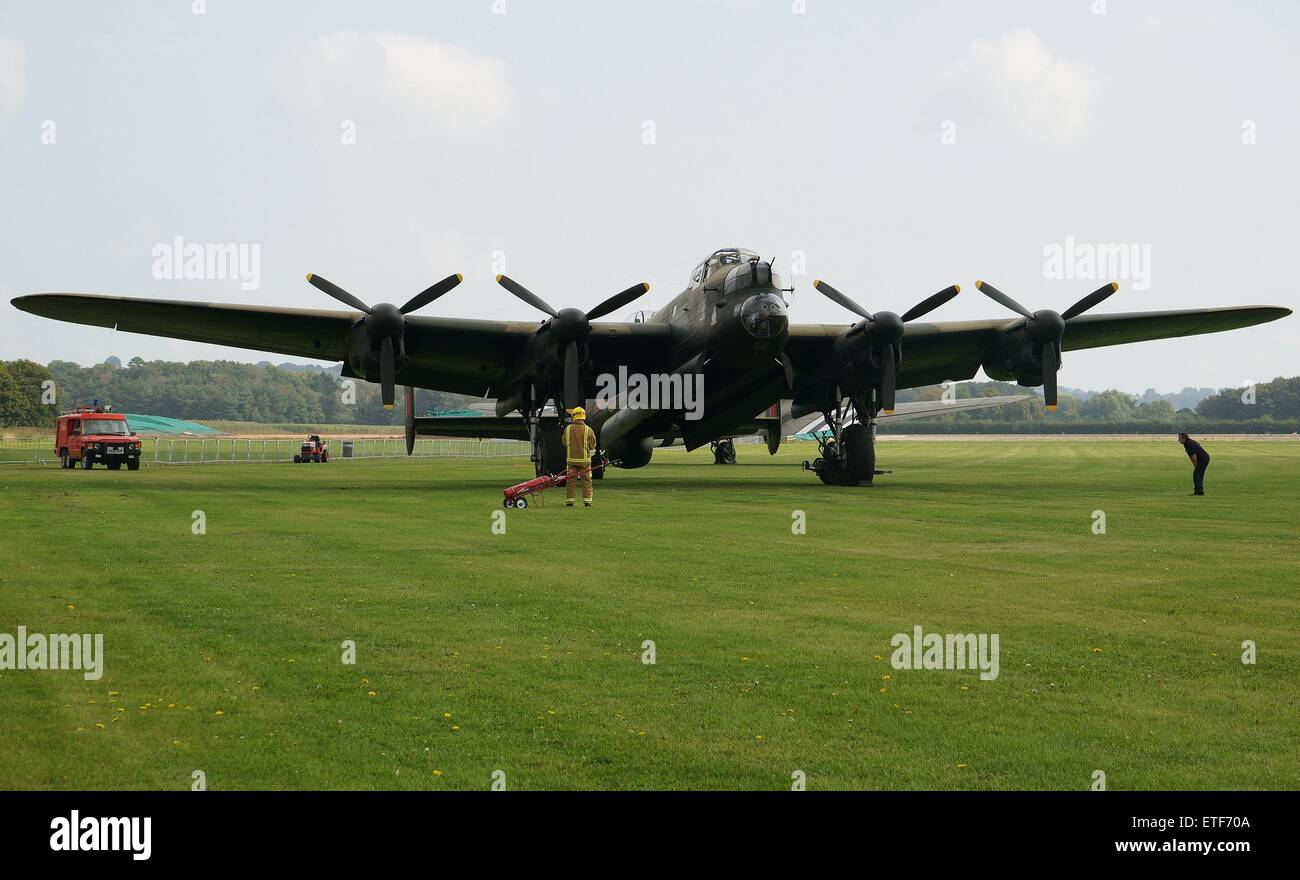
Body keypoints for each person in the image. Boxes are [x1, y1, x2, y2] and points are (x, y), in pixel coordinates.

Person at [563, 407, 597, 507]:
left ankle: (570, 500)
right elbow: (592, 445)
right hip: (585, 461)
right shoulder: (588, 430)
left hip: (571, 460)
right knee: (586, 480)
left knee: (570, 480)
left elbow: (564, 442)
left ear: (573, 416)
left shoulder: (568, 429)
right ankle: (587, 501)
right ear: (583, 416)